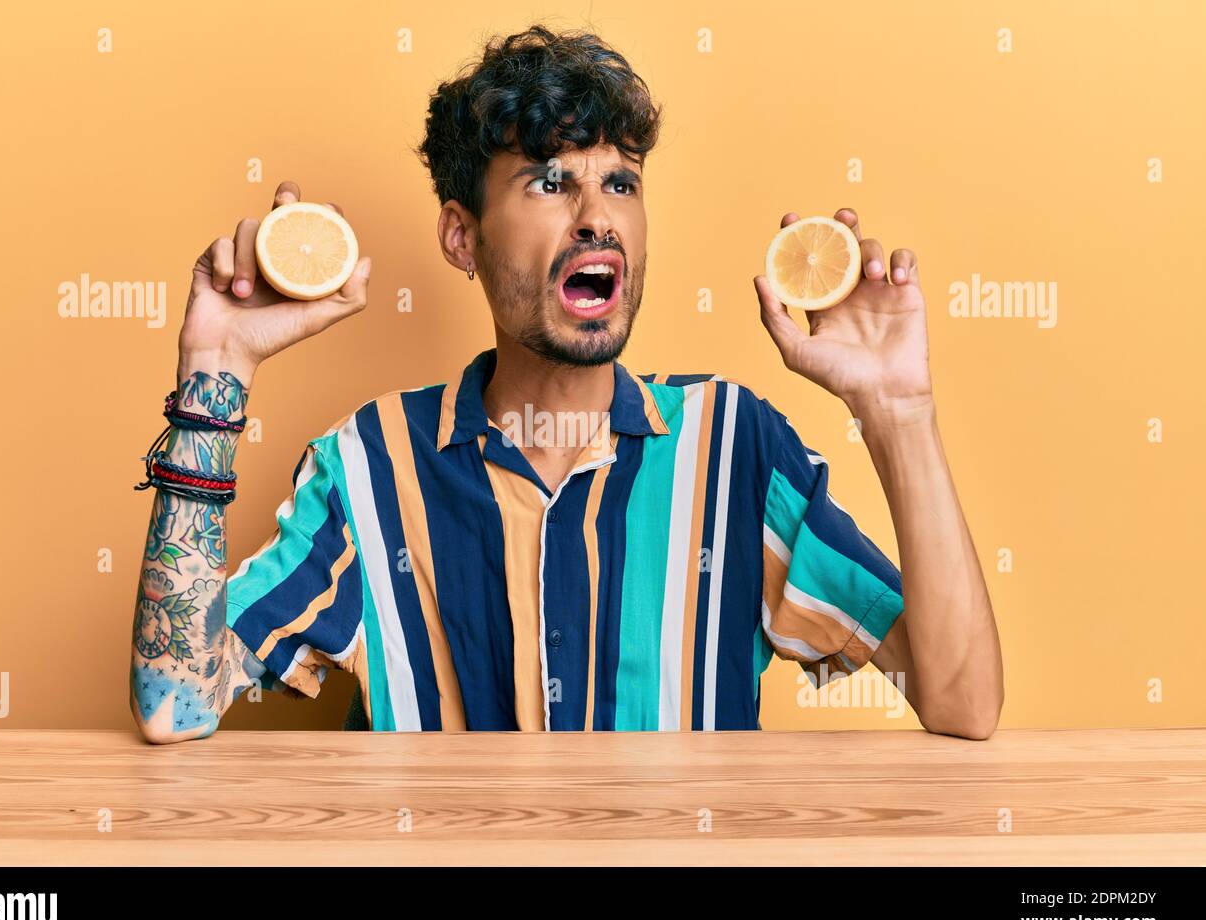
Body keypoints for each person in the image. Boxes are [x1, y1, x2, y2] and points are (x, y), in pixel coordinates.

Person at [129, 24, 1003, 743]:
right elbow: (177, 704)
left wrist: (899, 411)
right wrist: (216, 375)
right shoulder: (367, 467)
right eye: (550, 181)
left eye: (620, 181)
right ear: (461, 238)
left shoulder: (735, 449)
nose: (598, 217)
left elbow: (962, 702)